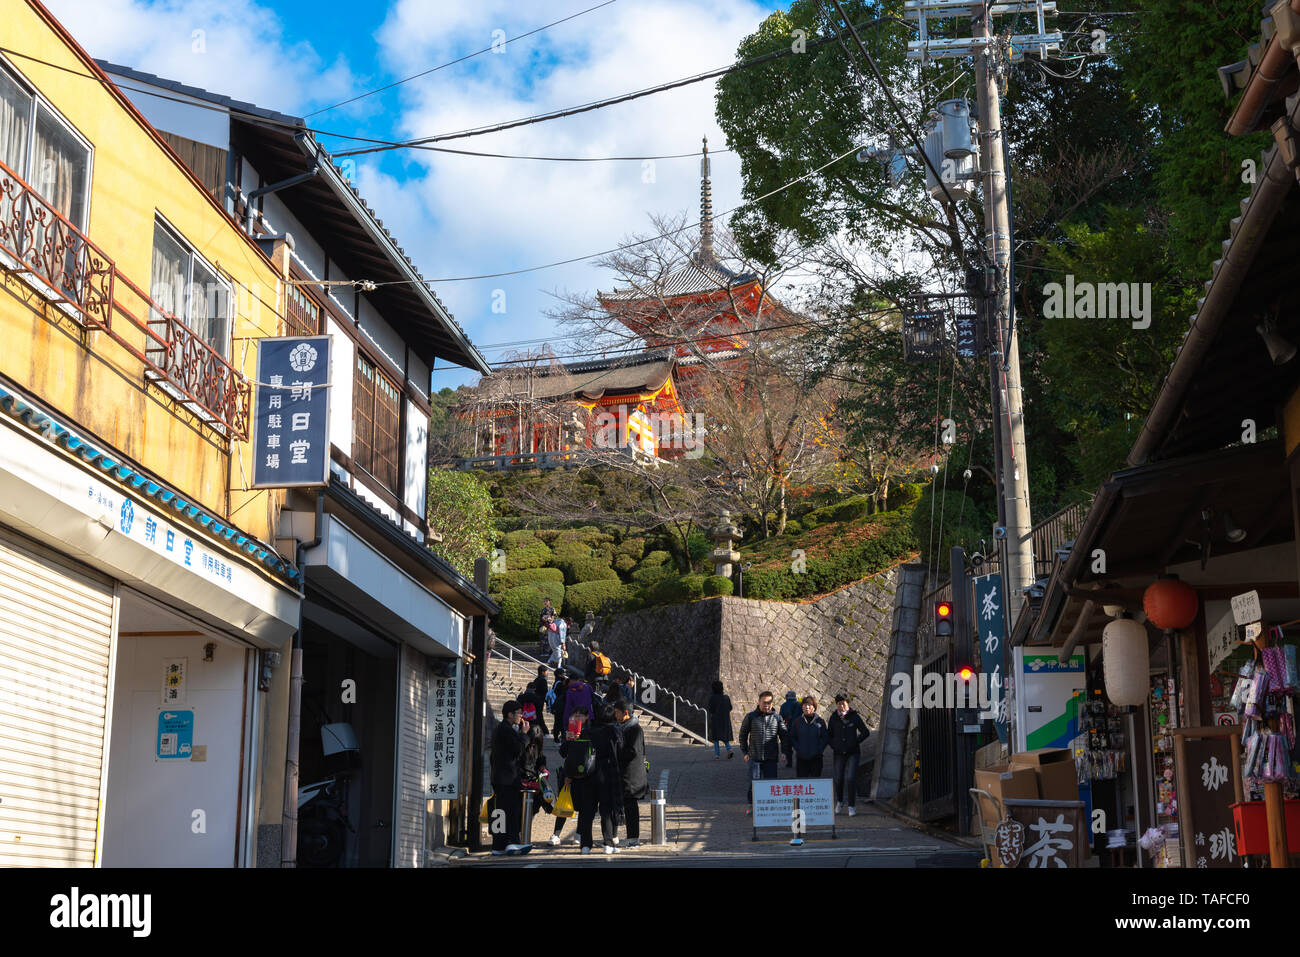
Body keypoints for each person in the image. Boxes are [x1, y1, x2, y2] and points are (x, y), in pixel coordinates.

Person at [489, 700, 530, 855]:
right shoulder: (507, 730)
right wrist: (524, 735)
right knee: (511, 811)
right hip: (508, 778)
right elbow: (518, 750)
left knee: (501, 811)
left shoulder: (500, 729)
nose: (521, 716)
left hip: (499, 777)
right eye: (518, 713)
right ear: (509, 714)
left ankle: (498, 846)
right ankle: (511, 842)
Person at [738, 691, 788, 810]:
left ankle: (770, 807)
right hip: (754, 757)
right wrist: (745, 752)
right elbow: (743, 734)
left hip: (771, 758)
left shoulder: (777, 718)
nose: (767, 705)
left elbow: (785, 736)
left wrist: (784, 752)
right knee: (753, 784)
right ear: (759, 702)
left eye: (769, 702)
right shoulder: (751, 717)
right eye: (764, 702)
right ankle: (752, 806)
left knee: (771, 785)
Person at [563, 706, 602, 853]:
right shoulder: (571, 731)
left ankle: (584, 839)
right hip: (574, 776)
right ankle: (583, 841)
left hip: (589, 775)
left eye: (580, 716)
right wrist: (568, 740)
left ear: (587, 717)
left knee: (588, 810)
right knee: (581, 809)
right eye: (575, 715)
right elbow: (563, 753)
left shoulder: (591, 732)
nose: (577, 718)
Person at [590, 703, 625, 854]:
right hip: (609, 772)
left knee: (588, 810)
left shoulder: (590, 731)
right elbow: (620, 751)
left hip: (591, 772)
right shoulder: (614, 731)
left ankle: (585, 843)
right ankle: (608, 842)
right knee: (607, 809)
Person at [828, 693, 870, 816]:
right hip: (839, 753)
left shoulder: (854, 716)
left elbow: (865, 732)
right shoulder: (833, 717)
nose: (841, 706)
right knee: (838, 779)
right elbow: (829, 735)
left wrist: (855, 741)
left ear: (848, 703)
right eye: (839, 704)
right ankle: (840, 801)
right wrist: (834, 745)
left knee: (851, 778)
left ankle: (851, 805)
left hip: (853, 752)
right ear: (836, 705)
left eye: (844, 703)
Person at [613, 698, 647, 846]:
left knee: (631, 807)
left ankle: (633, 838)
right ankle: (629, 837)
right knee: (627, 805)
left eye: (617, 713)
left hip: (632, 774)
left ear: (625, 713)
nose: (615, 716)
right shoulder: (624, 727)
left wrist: (616, 751)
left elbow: (633, 751)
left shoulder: (634, 729)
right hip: (625, 773)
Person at [789, 694, 829, 778]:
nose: (807, 707)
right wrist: (798, 748)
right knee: (802, 783)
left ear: (814, 707)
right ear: (802, 707)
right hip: (801, 758)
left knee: (815, 783)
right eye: (804, 705)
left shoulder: (820, 721)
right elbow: (792, 737)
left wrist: (819, 749)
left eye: (809, 705)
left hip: (816, 758)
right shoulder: (797, 721)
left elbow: (825, 737)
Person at [706, 680, 734, 759]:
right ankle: (729, 749)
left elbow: (711, 710)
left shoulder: (712, 698)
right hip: (725, 720)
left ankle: (717, 754)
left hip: (715, 720)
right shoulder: (726, 697)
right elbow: (730, 708)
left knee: (715, 738)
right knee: (725, 737)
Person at [778, 690, 799, 767]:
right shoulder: (799, 705)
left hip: (787, 728)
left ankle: (789, 763)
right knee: (798, 746)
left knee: (788, 747)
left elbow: (781, 718)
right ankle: (800, 762)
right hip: (798, 728)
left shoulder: (783, 706)